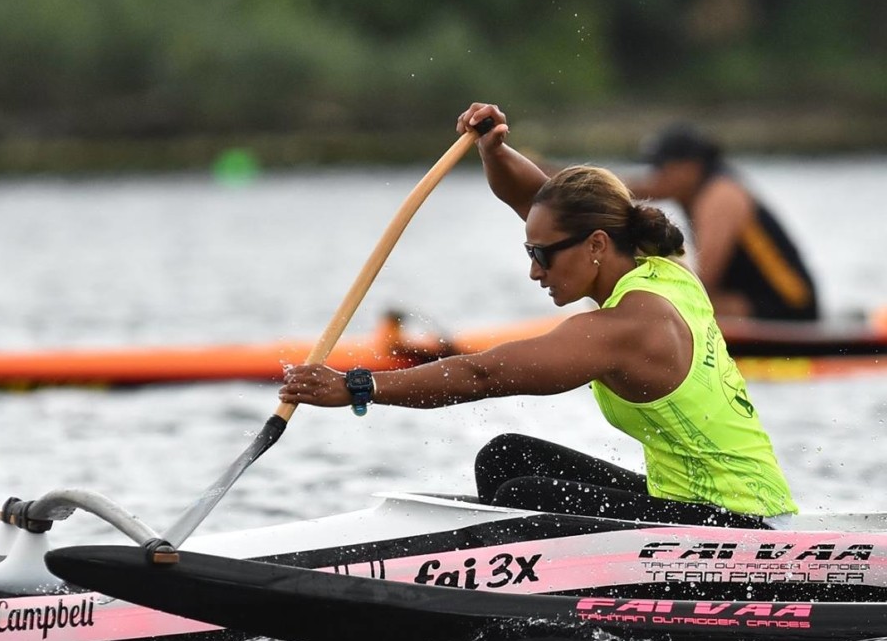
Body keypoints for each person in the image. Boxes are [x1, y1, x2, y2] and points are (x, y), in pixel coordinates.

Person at [278, 102, 798, 528]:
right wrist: (494, 151)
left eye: (541, 255)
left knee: (526, 493)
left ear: (596, 245)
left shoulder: (626, 328)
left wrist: (360, 387)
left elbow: (484, 374)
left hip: (735, 525)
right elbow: (541, 201)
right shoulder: (660, 264)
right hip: (711, 507)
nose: (534, 272)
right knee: (507, 459)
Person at [627, 123, 820, 322]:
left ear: (690, 167)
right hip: (750, 304)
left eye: (660, 168)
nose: (654, 177)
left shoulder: (721, 196)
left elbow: (703, 282)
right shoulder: (695, 186)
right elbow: (643, 188)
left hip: (789, 312)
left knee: (658, 307)